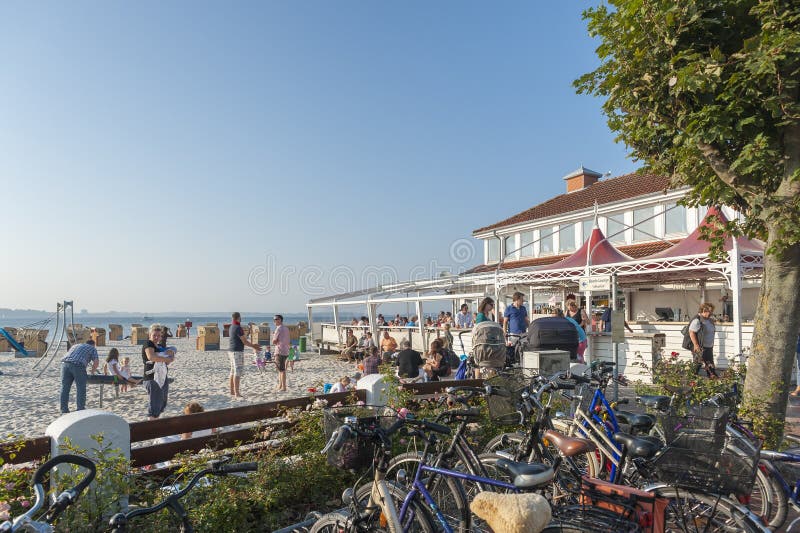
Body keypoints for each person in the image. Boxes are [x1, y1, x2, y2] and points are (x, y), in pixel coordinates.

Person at [142, 325, 175, 419]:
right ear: (150, 335)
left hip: (162, 377)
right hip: (152, 378)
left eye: (158, 335)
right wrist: (166, 358)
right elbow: (151, 357)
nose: (156, 337)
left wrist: (171, 354)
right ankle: (152, 428)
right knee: (154, 407)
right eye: (154, 335)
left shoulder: (160, 346)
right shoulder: (148, 344)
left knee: (162, 403)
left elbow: (169, 359)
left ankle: (156, 423)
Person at [228, 312, 262, 400]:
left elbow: (242, 338)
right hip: (237, 351)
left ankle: (232, 391)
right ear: (239, 318)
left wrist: (249, 331)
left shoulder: (232, 326)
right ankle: (237, 393)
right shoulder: (238, 327)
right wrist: (254, 346)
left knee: (232, 371)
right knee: (237, 372)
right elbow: (244, 341)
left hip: (231, 351)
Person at [59, 340, 100, 413]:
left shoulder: (76, 345)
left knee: (65, 387)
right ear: (93, 344)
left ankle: (64, 409)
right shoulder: (92, 348)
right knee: (81, 387)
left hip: (64, 364)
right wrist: (92, 372)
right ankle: (80, 409)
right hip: (78, 365)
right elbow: (96, 362)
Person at [689, 302, 718, 378]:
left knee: (710, 365)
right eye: (710, 311)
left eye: (712, 311)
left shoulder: (709, 320)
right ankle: (690, 381)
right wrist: (696, 345)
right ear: (704, 311)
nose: (711, 313)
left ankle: (713, 380)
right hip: (701, 347)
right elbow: (692, 332)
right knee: (697, 366)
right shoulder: (697, 320)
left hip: (709, 347)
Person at [272, 315, 290, 392]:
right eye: (274, 320)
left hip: (279, 350)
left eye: (276, 319)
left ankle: (283, 387)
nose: (275, 321)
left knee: (281, 370)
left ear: (280, 320)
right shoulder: (286, 328)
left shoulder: (278, 329)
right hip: (286, 350)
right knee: (280, 369)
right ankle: (280, 385)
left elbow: (274, 341)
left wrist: (275, 341)